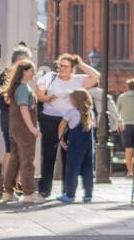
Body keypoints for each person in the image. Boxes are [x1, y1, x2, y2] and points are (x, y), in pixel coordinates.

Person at [33, 54, 100, 198]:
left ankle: (66, 191)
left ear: (72, 69)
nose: (61, 68)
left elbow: (96, 76)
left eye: (65, 66)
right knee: (49, 155)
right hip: (50, 120)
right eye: (60, 65)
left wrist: (80, 63)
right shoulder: (50, 77)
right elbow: (39, 95)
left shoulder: (78, 80)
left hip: (71, 122)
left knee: (68, 157)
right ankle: (44, 190)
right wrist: (47, 98)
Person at [0, 58, 39, 205]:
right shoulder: (23, 88)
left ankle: (8, 192)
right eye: (31, 70)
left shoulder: (17, 87)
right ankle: (28, 194)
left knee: (15, 161)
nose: (33, 73)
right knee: (27, 161)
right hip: (24, 130)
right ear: (24, 72)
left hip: (15, 128)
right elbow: (24, 108)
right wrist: (32, 128)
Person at [0, 45, 32, 198]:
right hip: (11, 117)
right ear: (19, 60)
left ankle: (11, 188)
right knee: (12, 151)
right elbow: (11, 100)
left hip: (11, 117)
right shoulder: (9, 75)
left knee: (14, 152)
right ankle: (7, 188)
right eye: (27, 60)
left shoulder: (10, 74)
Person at [57, 89, 96, 203]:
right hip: (88, 145)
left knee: (72, 169)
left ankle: (70, 195)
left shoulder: (71, 112)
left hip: (75, 145)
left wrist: (61, 140)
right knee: (88, 169)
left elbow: (61, 126)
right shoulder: (90, 113)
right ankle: (88, 195)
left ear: (75, 100)